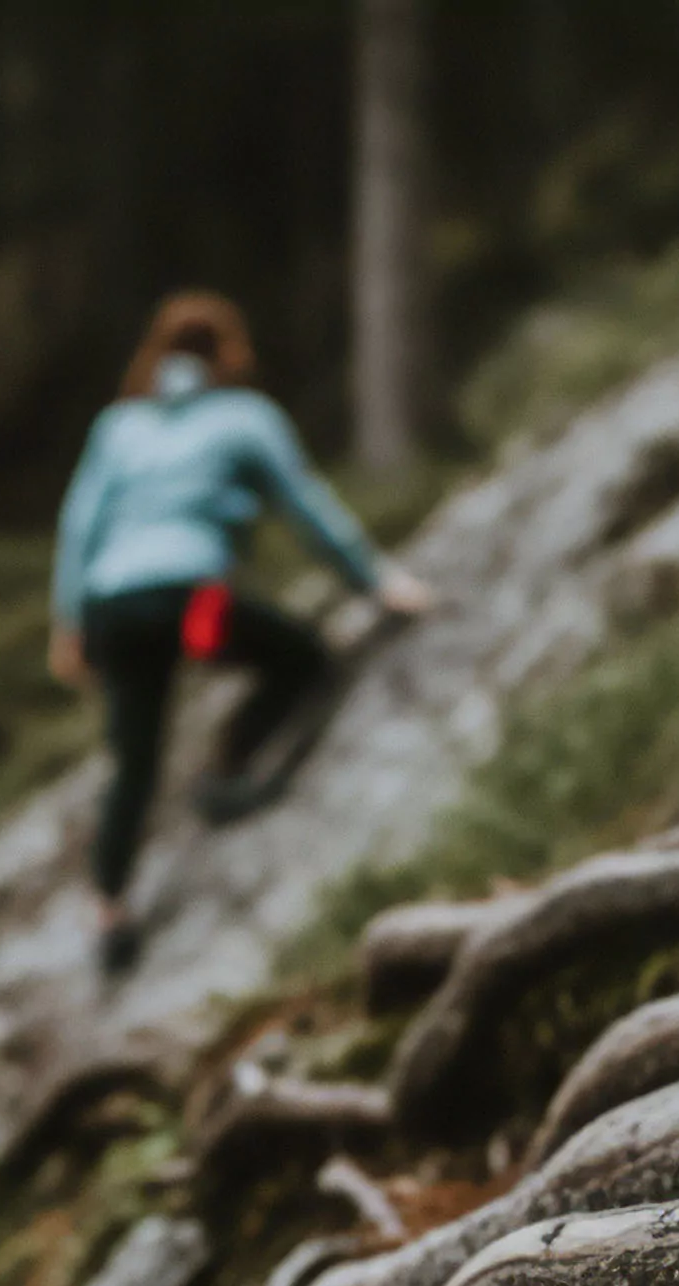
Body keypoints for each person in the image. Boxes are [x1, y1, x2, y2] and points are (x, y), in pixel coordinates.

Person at [49, 290, 434, 971]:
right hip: (193, 602)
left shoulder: (120, 427)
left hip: (112, 607)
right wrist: (375, 582)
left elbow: (81, 526)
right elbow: (306, 507)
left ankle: (110, 906)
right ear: (228, 354)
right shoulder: (245, 417)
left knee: (133, 756)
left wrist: (70, 623)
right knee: (301, 660)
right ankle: (226, 770)